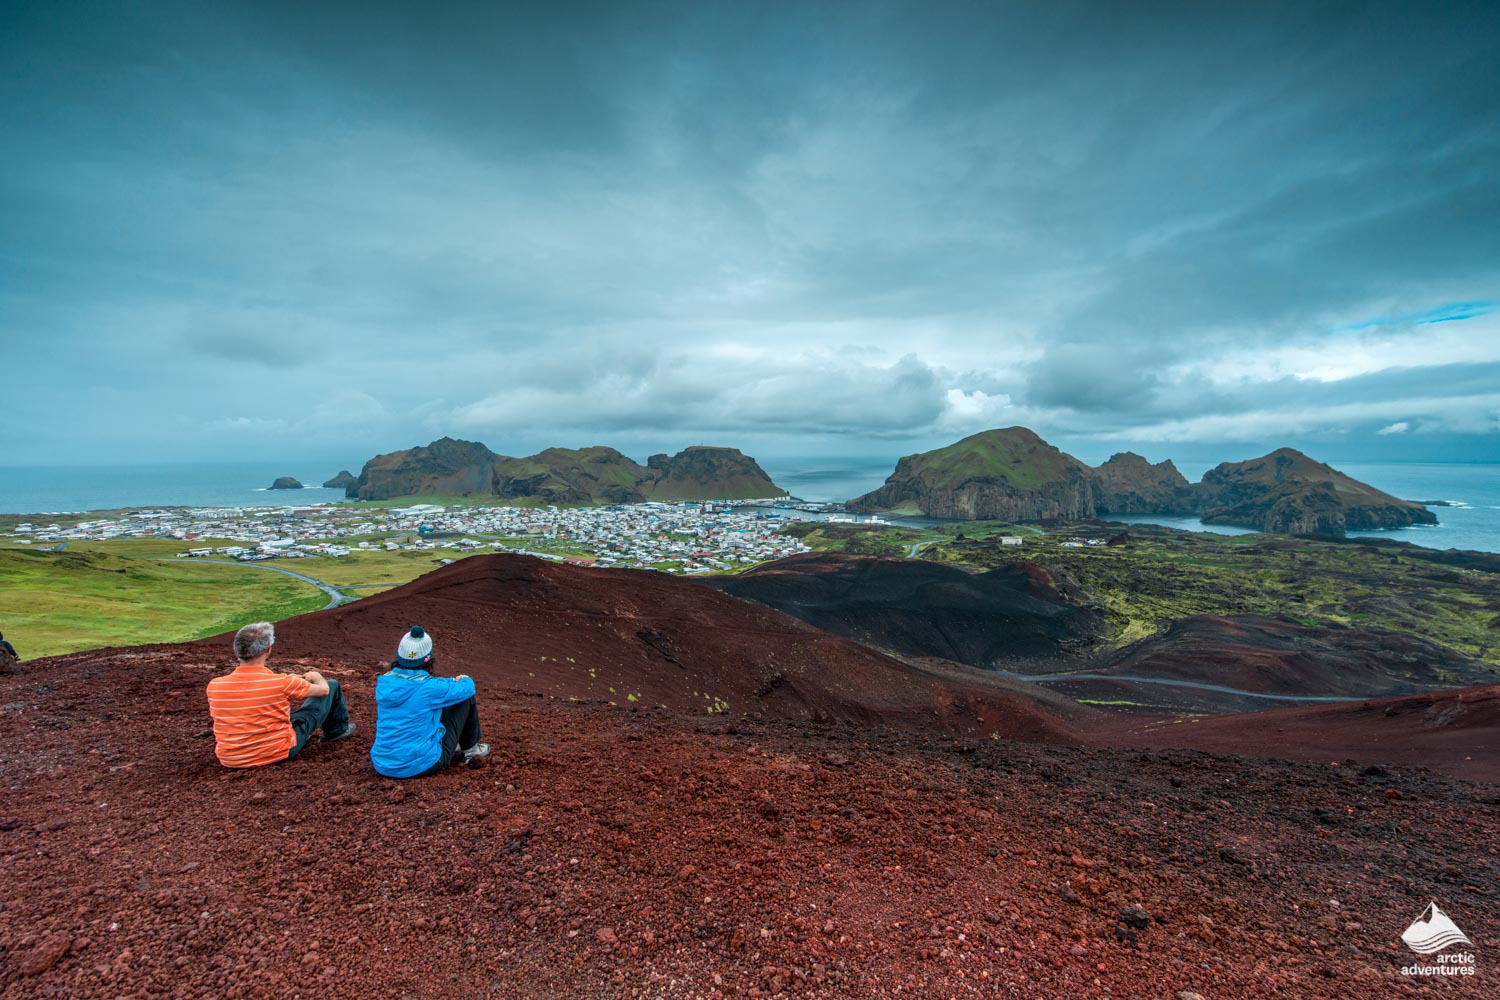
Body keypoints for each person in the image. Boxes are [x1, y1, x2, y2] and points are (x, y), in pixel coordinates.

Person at [206, 621, 356, 768]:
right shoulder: (282, 683)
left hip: (230, 758)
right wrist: (317, 677)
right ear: (268, 650)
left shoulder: (215, 685)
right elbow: (324, 690)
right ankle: (336, 732)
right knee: (332, 685)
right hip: (277, 751)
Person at [371, 625, 489, 778]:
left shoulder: (384, 682)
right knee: (463, 698)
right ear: (428, 658)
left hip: (382, 764)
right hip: (420, 764)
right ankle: (471, 751)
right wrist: (463, 678)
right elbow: (468, 687)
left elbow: (425, 688)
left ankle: (453, 744)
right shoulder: (430, 688)